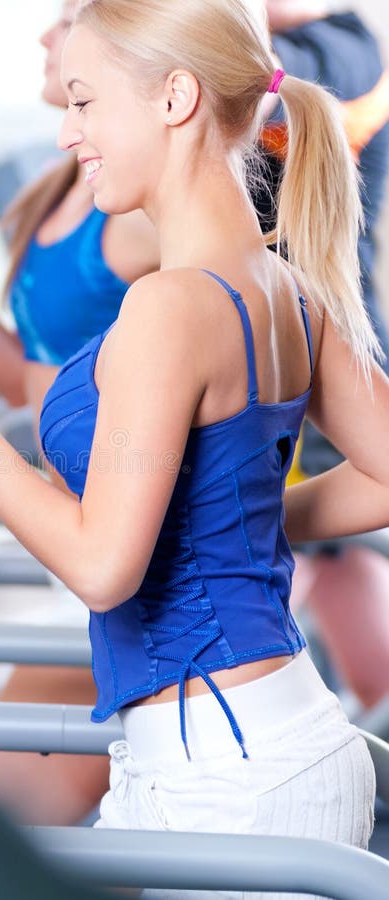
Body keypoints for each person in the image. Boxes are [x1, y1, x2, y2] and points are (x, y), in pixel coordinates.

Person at [0, 0, 389, 869]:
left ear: (174, 99)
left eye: (85, 103)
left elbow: (101, 570)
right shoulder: (285, 289)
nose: (66, 134)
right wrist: (233, 527)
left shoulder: (168, 307)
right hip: (253, 740)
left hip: (227, 766)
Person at [0, 0, 159, 825]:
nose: (47, 38)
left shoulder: (139, 213)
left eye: (66, 20)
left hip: (121, 551)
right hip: (80, 537)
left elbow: (221, 304)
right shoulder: (65, 185)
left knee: (7, 823)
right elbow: (31, 379)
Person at [260, 1, 389, 712]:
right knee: (340, 580)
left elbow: (246, 77)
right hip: (315, 348)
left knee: (271, 573)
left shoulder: (342, 48)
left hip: (323, 358)